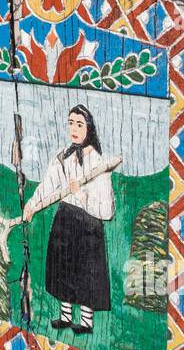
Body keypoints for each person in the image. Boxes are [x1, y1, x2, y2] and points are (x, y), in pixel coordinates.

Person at [19, 105, 123, 334]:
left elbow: (107, 211)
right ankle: (65, 315)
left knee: (85, 271)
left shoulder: (98, 163)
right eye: (70, 123)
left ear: (89, 128)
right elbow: (48, 185)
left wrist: (81, 195)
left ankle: (86, 321)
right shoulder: (63, 156)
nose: (74, 129)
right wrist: (32, 205)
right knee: (62, 267)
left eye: (79, 124)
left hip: (88, 225)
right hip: (65, 218)